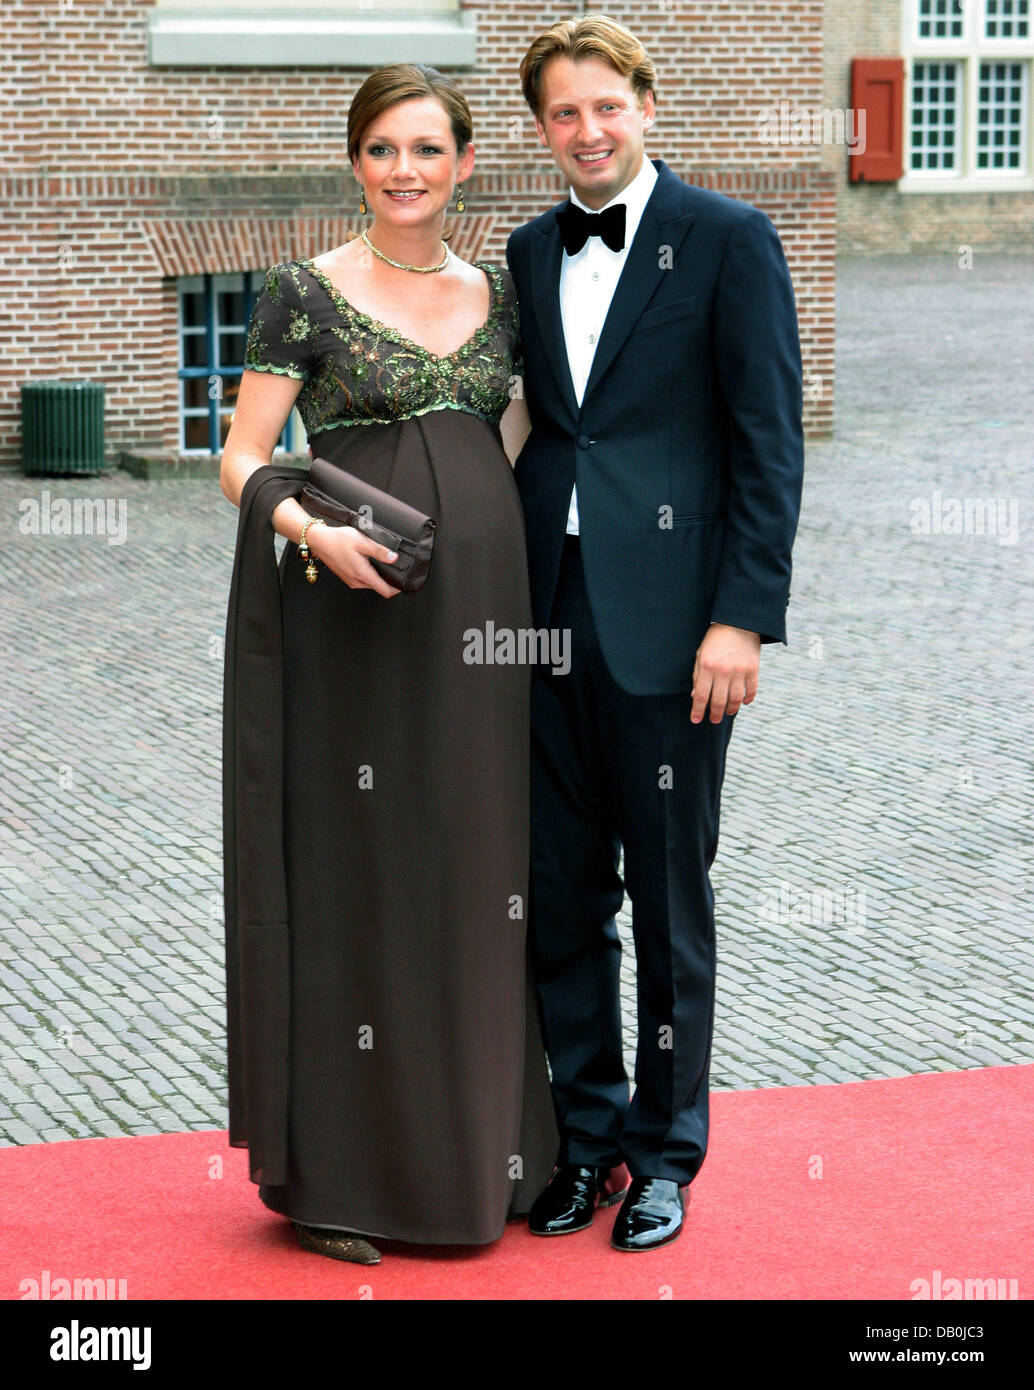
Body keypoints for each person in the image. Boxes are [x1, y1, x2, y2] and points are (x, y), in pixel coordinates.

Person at [219, 62, 557, 1264]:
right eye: (380, 150)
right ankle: (348, 1178)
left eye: (426, 149)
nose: (403, 171)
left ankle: (489, 1154)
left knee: (476, 865)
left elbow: (510, 430)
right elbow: (243, 454)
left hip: (486, 618)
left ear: (465, 162)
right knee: (364, 865)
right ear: (354, 163)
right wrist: (315, 535)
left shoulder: (506, 290)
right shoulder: (303, 293)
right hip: (350, 618)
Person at [507, 16, 804, 1251]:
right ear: (539, 128)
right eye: (563, 114)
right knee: (557, 893)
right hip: (538, 617)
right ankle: (583, 1141)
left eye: (605, 107)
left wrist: (739, 617)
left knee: (670, 899)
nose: (586, 132)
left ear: (645, 104)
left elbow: (765, 446)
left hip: (676, 628)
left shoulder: (728, 240)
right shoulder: (526, 250)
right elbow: (534, 426)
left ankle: (664, 1152)